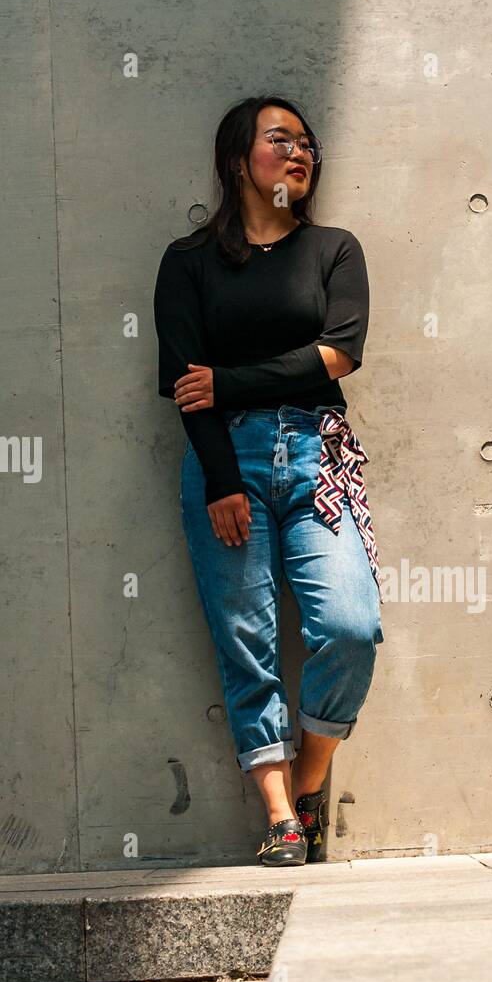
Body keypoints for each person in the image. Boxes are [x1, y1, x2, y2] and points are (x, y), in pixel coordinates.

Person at [153, 94, 383, 866]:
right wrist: (221, 476)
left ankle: (312, 782)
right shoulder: (187, 264)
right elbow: (187, 389)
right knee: (246, 642)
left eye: (307, 143)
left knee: (350, 628)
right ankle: (283, 817)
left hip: (321, 456)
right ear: (235, 159)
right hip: (229, 465)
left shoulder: (333, 250)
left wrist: (229, 380)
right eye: (279, 139)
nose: (299, 153)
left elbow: (339, 356)